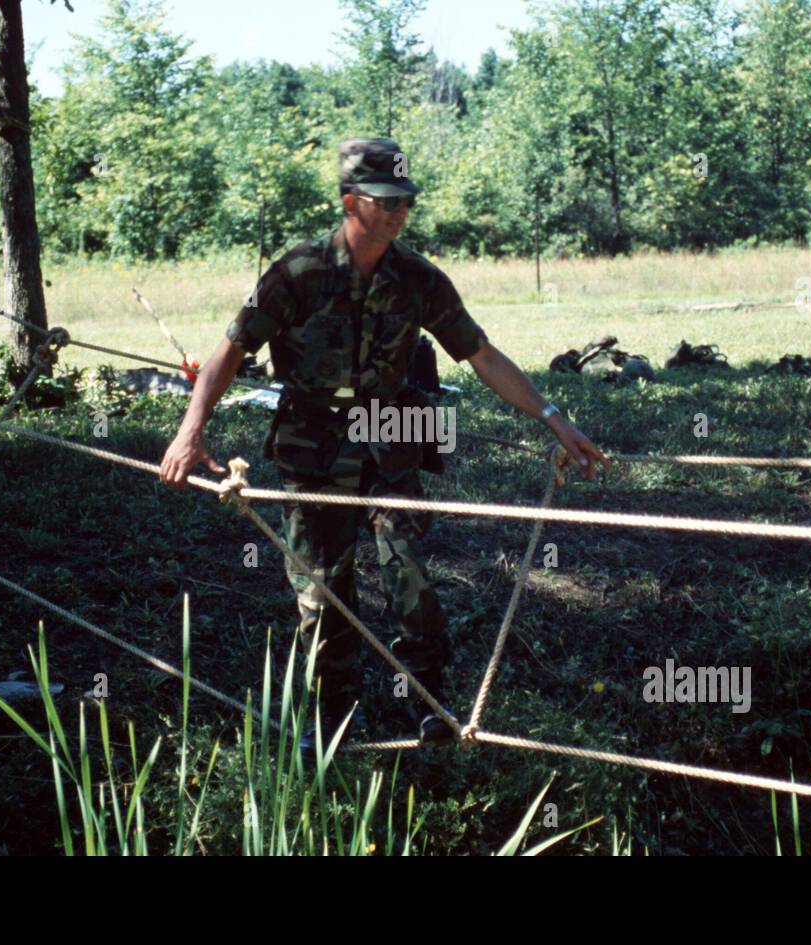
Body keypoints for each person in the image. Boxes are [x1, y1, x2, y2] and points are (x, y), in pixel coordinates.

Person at [159, 139, 608, 747]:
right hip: (312, 440)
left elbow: (480, 354)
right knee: (323, 586)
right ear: (351, 202)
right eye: (386, 200)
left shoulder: (419, 278)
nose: (400, 211)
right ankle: (331, 714)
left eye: (406, 201)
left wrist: (553, 416)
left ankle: (427, 700)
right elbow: (231, 350)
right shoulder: (297, 273)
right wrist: (190, 430)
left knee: (405, 566)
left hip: (390, 432)